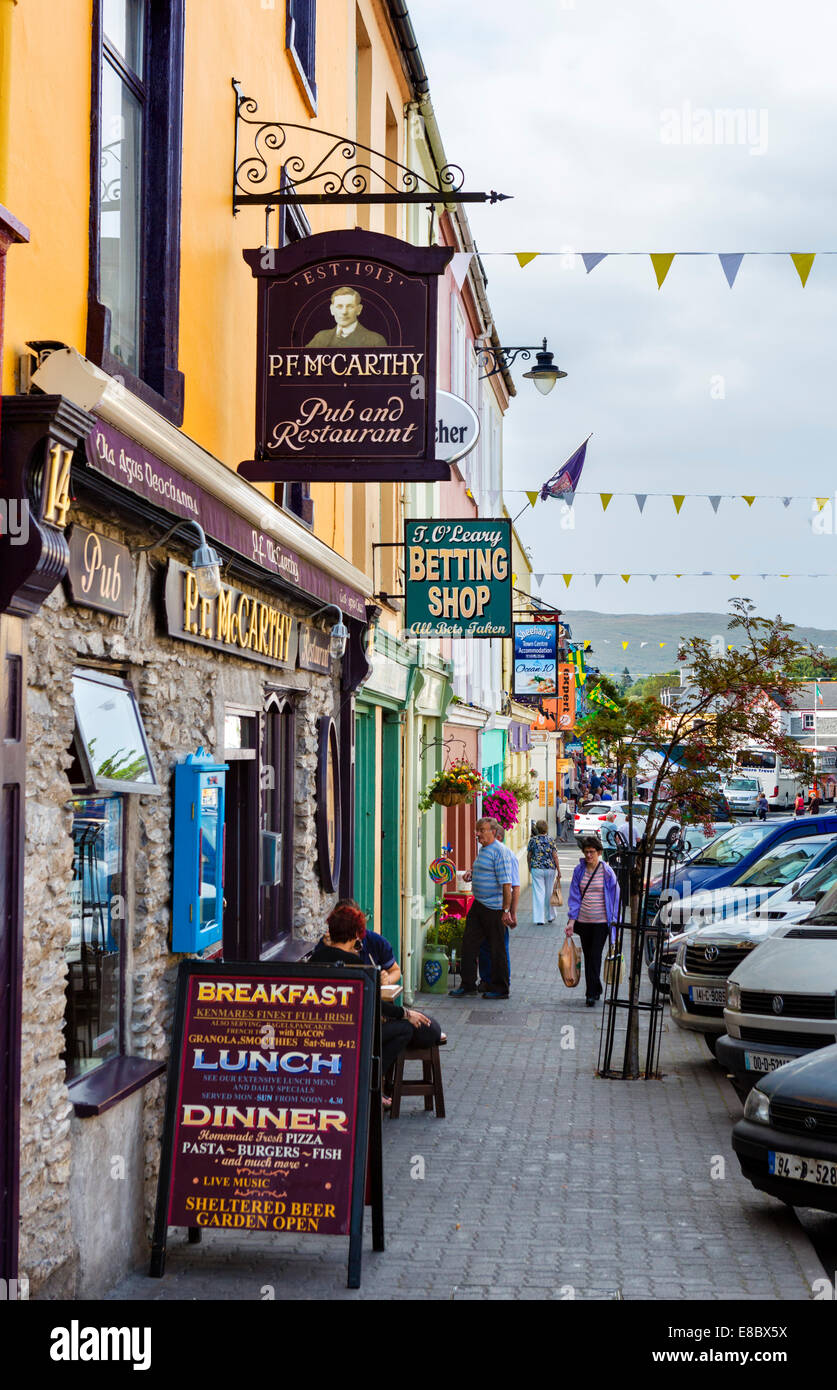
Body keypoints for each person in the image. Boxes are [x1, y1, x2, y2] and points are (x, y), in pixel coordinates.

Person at [309, 901, 442, 1097]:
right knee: (406, 1030)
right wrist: (405, 1013)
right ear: (356, 934)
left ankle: (374, 1082)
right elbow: (372, 1004)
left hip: (322, 1032)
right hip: (352, 1035)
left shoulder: (315, 959)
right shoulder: (355, 964)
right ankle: (370, 1082)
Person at [450, 817, 512, 1000]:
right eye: (477, 830)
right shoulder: (484, 850)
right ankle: (468, 984)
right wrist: (472, 873)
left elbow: (506, 884)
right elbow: (484, 871)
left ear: (493, 832)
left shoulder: (500, 852)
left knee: (497, 948)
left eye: (482, 830)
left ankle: (501, 989)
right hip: (479, 905)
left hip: (494, 908)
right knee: (468, 945)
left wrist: (506, 911)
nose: (477, 834)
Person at [566, 835, 621, 1006]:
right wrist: (571, 921)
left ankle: (590, 993)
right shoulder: (579, 871)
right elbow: (574, 897)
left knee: (595, 955)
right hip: (583, 922)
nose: (589, 855)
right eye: (586, 852)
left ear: (599, 853)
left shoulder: (606, 872)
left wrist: (615, 921)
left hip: (601, 923)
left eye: (592, 852)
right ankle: (595, 987)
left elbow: (615, 896)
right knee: (588, 957)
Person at [478, 826, 518, 992]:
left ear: (498, 837)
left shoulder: (507, 855)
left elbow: (513, 887)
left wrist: (511, 913)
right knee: (485, 947)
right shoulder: (486, 852)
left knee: (500, 948)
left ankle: (502, 982)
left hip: (499, 909)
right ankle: (486, 980)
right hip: (486, 908)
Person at [306, 286, 387, 348]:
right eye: (339, 306)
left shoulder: (375, 341)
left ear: (358, 309)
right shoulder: (320, 338)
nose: (344, 312)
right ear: (332, 309)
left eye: (350, 306)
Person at [527, 819, 560, 924]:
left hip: (537, 868)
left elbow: (529, 855)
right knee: (549, 892)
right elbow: (555, 856)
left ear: (537, 828)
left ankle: (539, 919)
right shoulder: (551, 840)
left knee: (538, 893)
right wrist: (559, 870)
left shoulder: (533, 840)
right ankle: (550, 916)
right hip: (550, 868)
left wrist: (529, 866)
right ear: (546, 828)